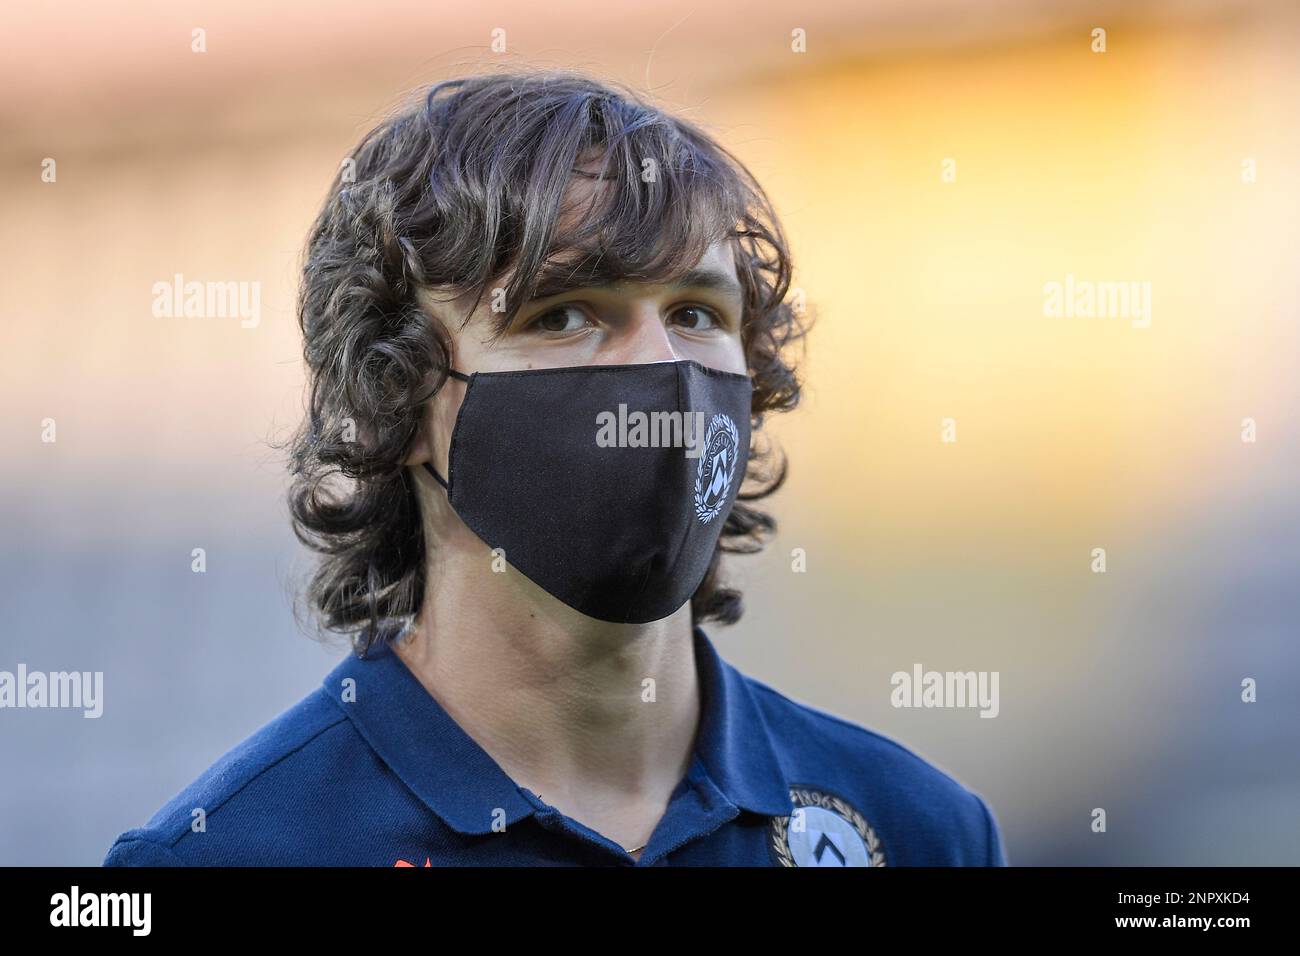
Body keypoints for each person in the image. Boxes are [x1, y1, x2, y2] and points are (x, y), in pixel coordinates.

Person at [103, 69, 1007, 867]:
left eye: (696, 313)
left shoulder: (919, 830)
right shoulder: (234, 856)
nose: (663, 377)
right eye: (565, 315)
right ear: (397, 397)